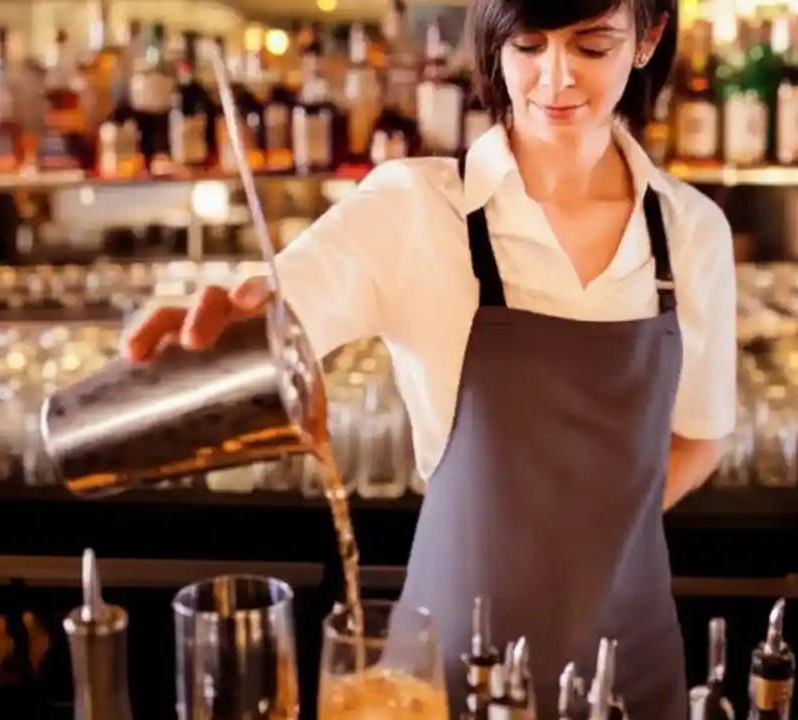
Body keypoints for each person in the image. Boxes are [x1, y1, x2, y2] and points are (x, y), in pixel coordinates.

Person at [124, 0, 736, 716]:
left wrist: (591, 531)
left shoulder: (691, 233)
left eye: (592, 46)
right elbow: (283, 307)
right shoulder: (414, 210)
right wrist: (230, 320)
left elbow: (701, 435)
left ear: (648, 37)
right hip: (442, 678)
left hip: (629, 674)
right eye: (529, 46)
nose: (555, 78)